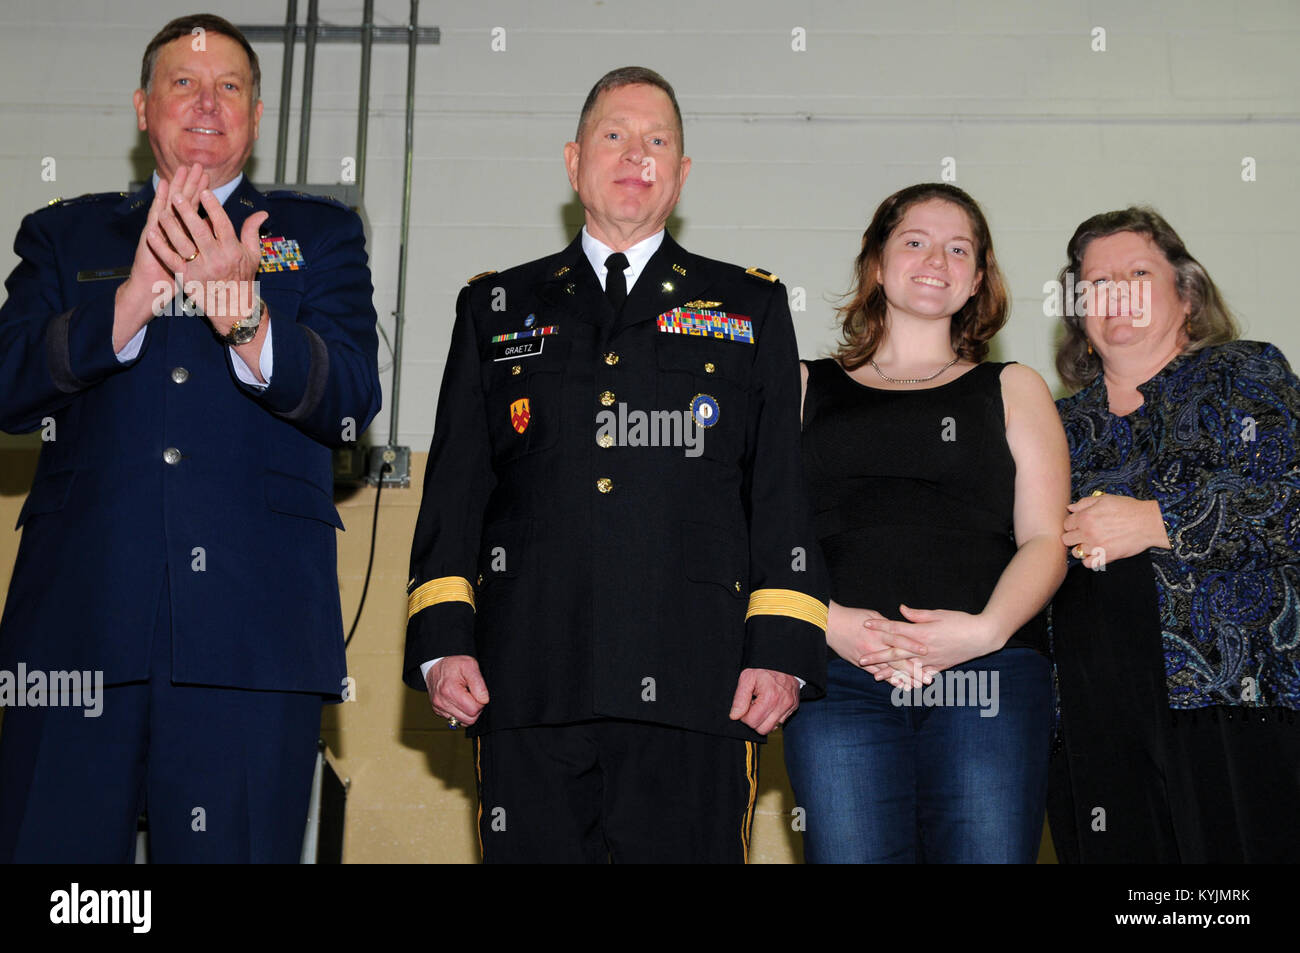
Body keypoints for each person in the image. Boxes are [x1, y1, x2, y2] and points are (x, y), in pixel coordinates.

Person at [404, 66, 829, 863]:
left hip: (698, 680)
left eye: (658, 139)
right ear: (573, 162)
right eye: (614, 135)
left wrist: (780, 648)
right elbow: (458, 487)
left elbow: (778, 492)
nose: (637, 153)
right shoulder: (496, 306)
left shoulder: (749, 306)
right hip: (528, 676)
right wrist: (441, 641)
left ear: (683, 172)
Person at [0, 14, 380, 862]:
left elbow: (354, 398)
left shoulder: (318, 235)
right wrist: (128, 303)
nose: (207, 102)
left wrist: (247, 322)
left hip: (253, 637)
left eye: (231, 87)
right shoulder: (67, 233)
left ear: (254, 114)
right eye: (183, 82)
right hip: (76, 631)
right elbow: (8, 384)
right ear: (143, 107)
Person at [783, 183, 1070, 863]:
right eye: (914, 240)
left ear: (976, 280)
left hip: (991, 671)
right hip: (841, 671)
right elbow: (757, 534)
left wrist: (985, 630)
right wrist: (830, 623)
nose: (935, 258)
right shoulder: (799, 385)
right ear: (877, 264)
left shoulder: (1014, 387)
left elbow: (1045, 538)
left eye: (958, 247)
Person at [1048, 206, 1300, 863]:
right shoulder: (1053, 422)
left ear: (1186, 294)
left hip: (1237, 704)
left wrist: (1158, 519)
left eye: (1137, 272)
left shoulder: (1244, 375)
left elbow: (1290, 496)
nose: (1117, 294)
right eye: (1096, 283)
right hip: (1089, 719)